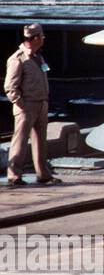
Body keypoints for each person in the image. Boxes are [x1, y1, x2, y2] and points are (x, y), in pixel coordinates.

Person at [5, 23, 61, 186]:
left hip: (41, 104)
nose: (43, 39)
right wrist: (20, 103)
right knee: (20, 141)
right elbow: (10, 86)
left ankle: (43, 173)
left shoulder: (38, 57)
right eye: (41, 36)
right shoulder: (18, 59)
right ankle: (14, 176)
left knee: (40, 141)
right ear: (35, 38)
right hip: (27, 106)